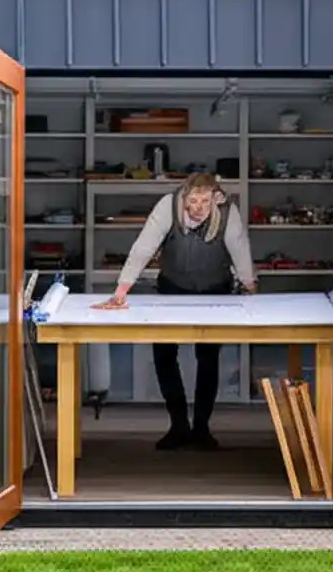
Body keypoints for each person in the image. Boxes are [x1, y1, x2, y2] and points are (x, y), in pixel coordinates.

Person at [92, 173, 257, 450]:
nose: (198, 207)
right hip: (173, 287)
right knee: (164, 354)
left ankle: (202, 428)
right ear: (184, 197)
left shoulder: (228, 213)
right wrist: (121, 292)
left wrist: (250, 290)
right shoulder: (167, 206)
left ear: (215, 198)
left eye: (205, 201)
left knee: (208, 357)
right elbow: (143, 249)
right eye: (193, 200)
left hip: (214, 291)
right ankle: (178, 425)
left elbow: (240, 250)